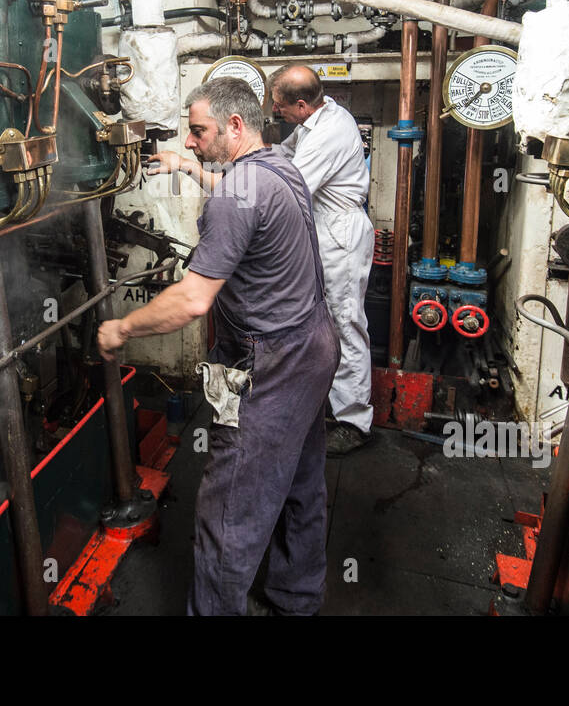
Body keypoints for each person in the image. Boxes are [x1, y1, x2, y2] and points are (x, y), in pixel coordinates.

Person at [97, 76, 339, 616]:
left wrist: (121, 329)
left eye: (196, 131)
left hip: (271, 366)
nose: (187, 140)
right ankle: (294, 598)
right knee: (300, 484)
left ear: (234, 125)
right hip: (314, 347)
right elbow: (242, 198)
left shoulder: (237, 194)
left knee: (230, 512)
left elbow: (191, 302)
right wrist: (192, 171)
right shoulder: (279, 167)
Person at [268, 65, 374, 456]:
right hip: (325, 231)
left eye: (280, 106)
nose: (275, 112)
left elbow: (290, 185)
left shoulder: (330, 132)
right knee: (324, 324)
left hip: (340, 234)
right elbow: (283, 154)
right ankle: (329, 407)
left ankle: (354, 420)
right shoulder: (317, 118)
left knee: (346, 323)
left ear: (300, 104)